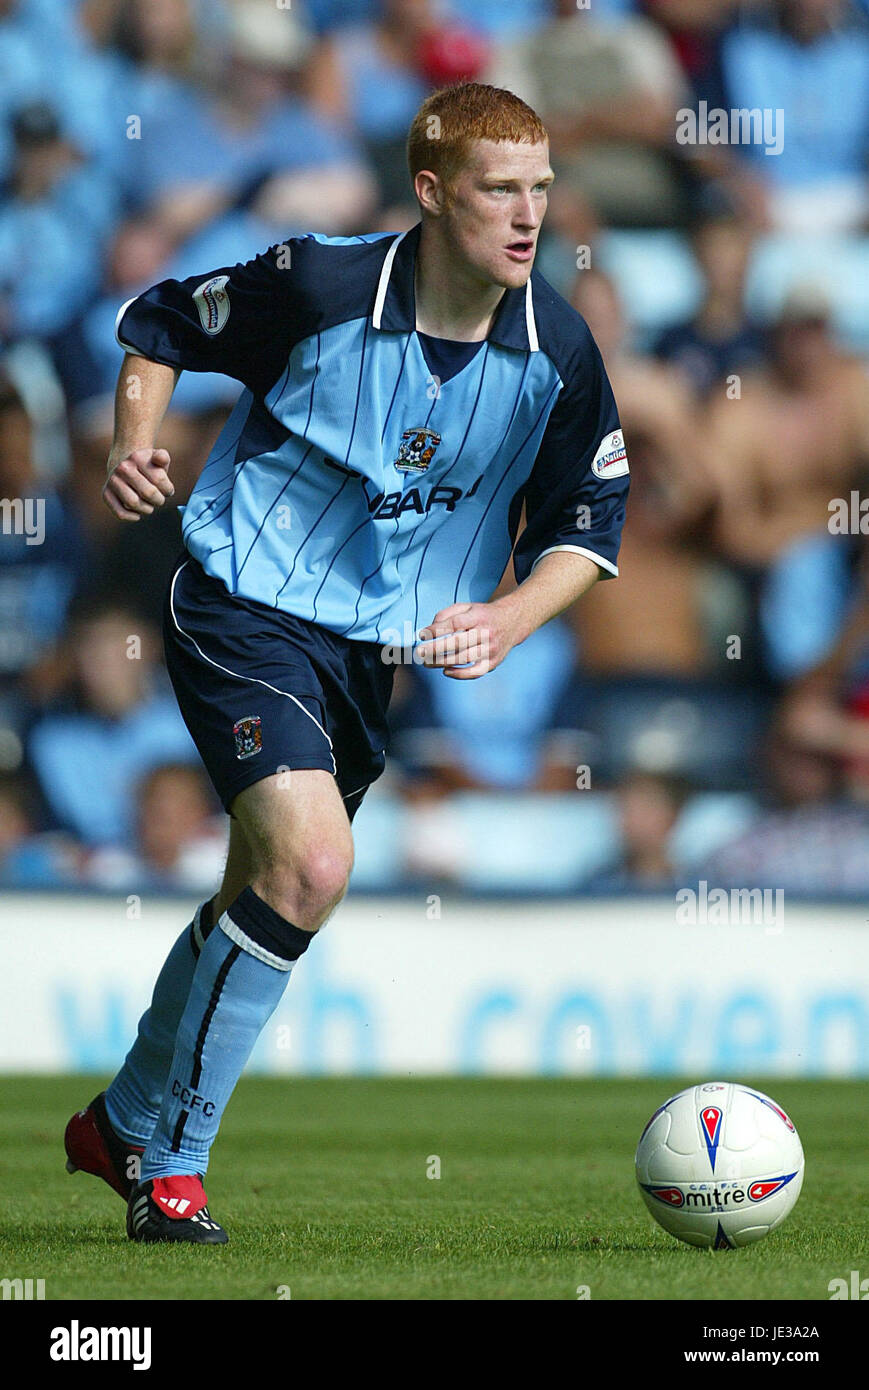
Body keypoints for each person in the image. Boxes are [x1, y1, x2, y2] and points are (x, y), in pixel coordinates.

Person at [64, 82, 629, 1245]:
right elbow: (160, 323)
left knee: (260, 890)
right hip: (239, 606)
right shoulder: (318, 285)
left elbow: (589, 525)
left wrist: (511, 617)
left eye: (540, 190)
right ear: (429, 194)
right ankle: (169, 1168)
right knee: (314, 865)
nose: (528, 218)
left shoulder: (557, 347)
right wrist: (132, 442)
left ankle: (122, 1117)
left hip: (369, 653)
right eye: (497, 192)